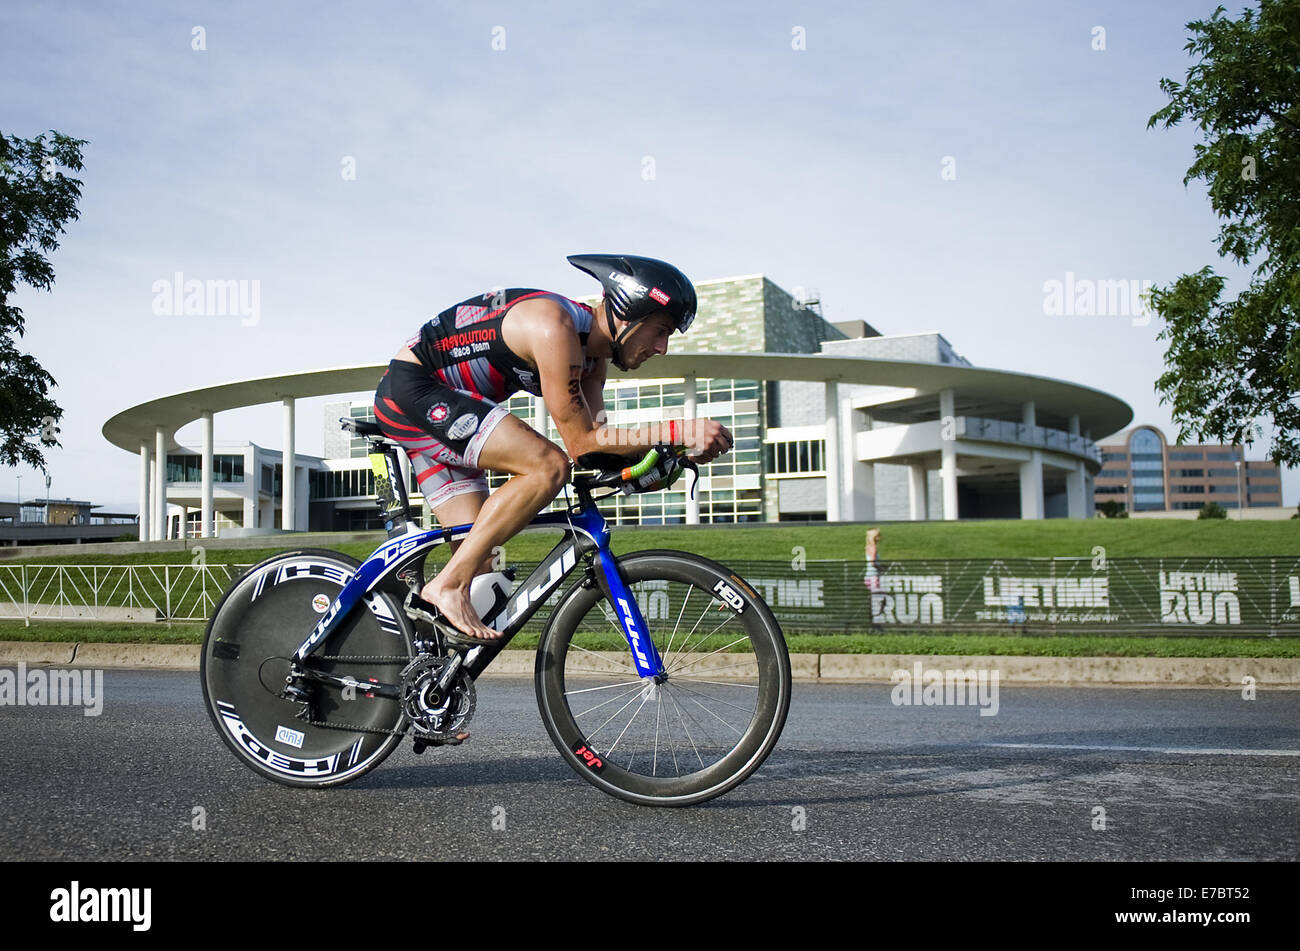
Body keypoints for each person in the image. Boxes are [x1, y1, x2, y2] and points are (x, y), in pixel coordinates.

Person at [372, 253, 733, 644]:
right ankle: (447, 588)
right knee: (546, 467)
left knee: (483, 570)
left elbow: (596, 447)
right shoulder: (554, 327)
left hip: (448, 413)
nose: (662, 347)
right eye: (660, 330)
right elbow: (578, 444)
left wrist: (669, 451)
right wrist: (679, 429)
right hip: (412, 393)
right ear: (628, 313)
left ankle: (418, 674)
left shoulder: (593, 361)